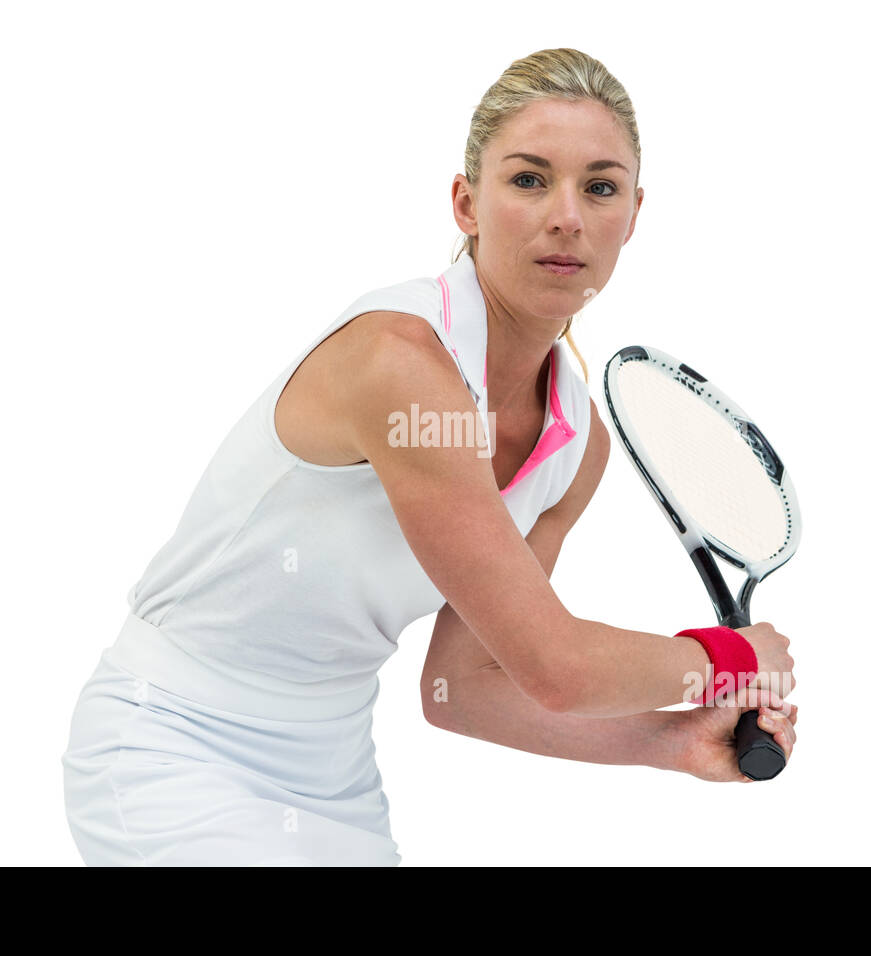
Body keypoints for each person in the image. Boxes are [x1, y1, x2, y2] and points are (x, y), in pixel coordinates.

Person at [60, 46, 798, 867]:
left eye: (600, 186)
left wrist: (666, 740)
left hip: (331, 778)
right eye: (527, 179)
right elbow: (557, 665)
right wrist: (732, 657)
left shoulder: (574, 445)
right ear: (466, 203)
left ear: (634, 213)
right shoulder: (400, 360)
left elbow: (471, 690)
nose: (567, 217)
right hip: (169, 740)